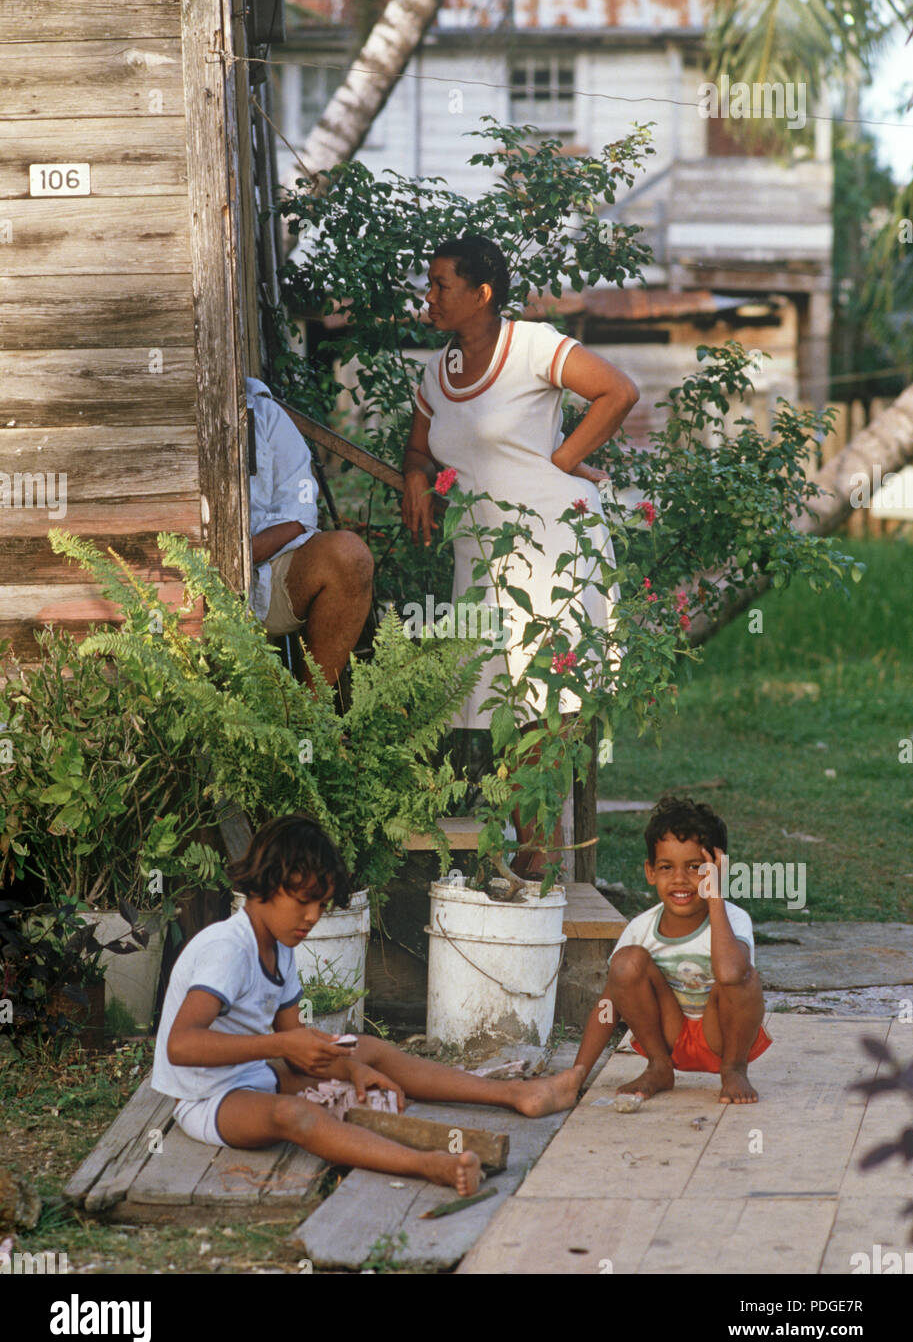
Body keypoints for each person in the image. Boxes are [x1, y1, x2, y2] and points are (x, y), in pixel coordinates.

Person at [151, 814, 582, 1195]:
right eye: (303, 902)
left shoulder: (279, 948)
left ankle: (512, 1093)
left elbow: (296, 1044)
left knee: (364, 1048)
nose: (312, 917)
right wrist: (283, 1049)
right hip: (209, 1100)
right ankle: (427, 1165)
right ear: (264, 887)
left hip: (257, 1075)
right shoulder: (228, 948)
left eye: (320, 905)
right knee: (294, 1115)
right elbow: (181, 1046)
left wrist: (352, 1068)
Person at [400, 235, 639, 877]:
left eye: (442, 284)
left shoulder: (532, 346)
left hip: (551, 544)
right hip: (481, 557)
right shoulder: (436, 372)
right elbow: (420, 450)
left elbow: (618, 391)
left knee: (544, 708)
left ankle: (537, 871)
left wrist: (562, 459)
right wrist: (416, 480)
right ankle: (528, 867)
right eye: (430, 282)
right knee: (500, 710)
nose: (431, 295)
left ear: (482, 294)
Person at [568, 795, 772, 1106]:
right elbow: (609, 1003)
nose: (680, 879)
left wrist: (715, 897)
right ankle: (659, 1067)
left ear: (717, 869)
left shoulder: (733, 919)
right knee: (625, 963)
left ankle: (734, 1070)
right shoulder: (641, 928)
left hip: (722, 1037)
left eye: (695, 867)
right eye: (666, 867)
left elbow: (731, 974)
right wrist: (577, 1074)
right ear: (650, 872)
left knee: (745, 976)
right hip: (668, 1035)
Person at [246, 376, 374, 690]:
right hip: (177, 581)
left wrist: (236, 555)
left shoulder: (264, 413)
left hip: (262, 576)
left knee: (348, 555)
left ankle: (312, 720)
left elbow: (298, 520)